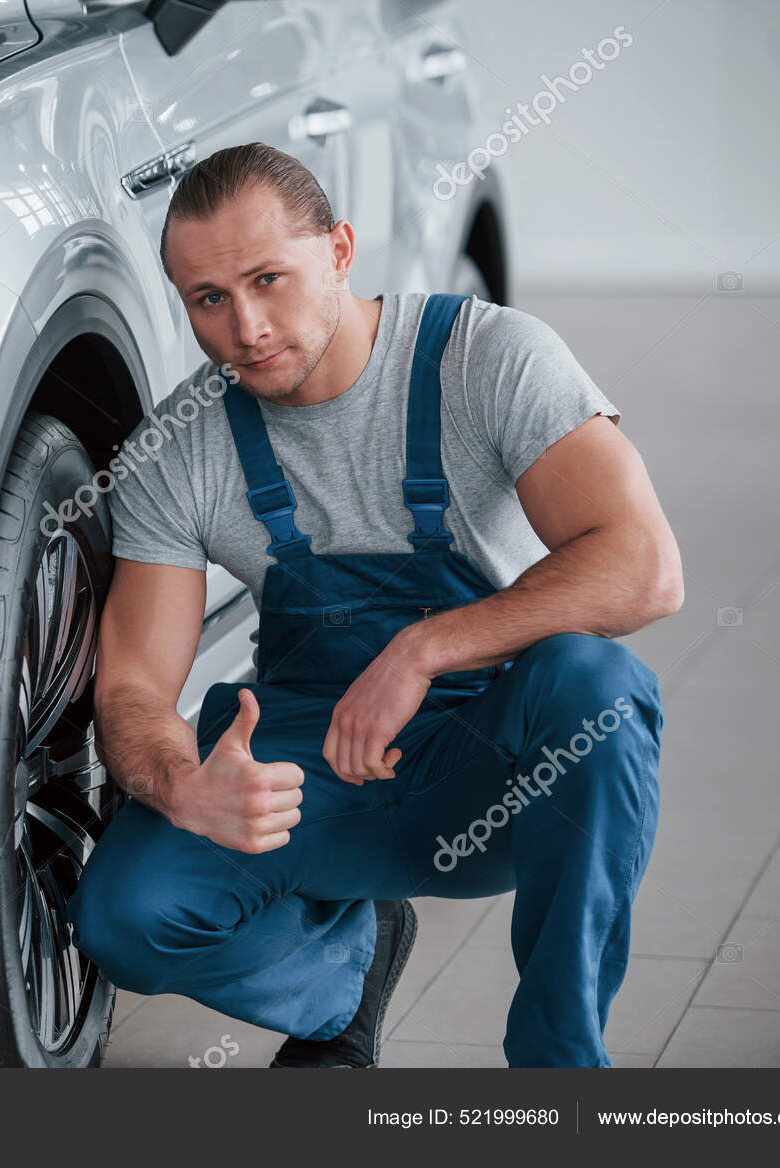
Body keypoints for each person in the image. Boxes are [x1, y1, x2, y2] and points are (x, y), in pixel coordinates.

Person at [66, 142, 682, 1068]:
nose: (248, 328)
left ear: (342, 250)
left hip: (493, 758)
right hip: (309, 773)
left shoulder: (486, 358)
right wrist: (181, 783)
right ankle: (342, 983)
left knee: (597, 685)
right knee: (123, 916)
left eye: (270, 279)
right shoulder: (177, 450)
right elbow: (134, 694)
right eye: (209, 300)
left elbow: (645, 569)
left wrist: (424, 650)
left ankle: (562, 1063)